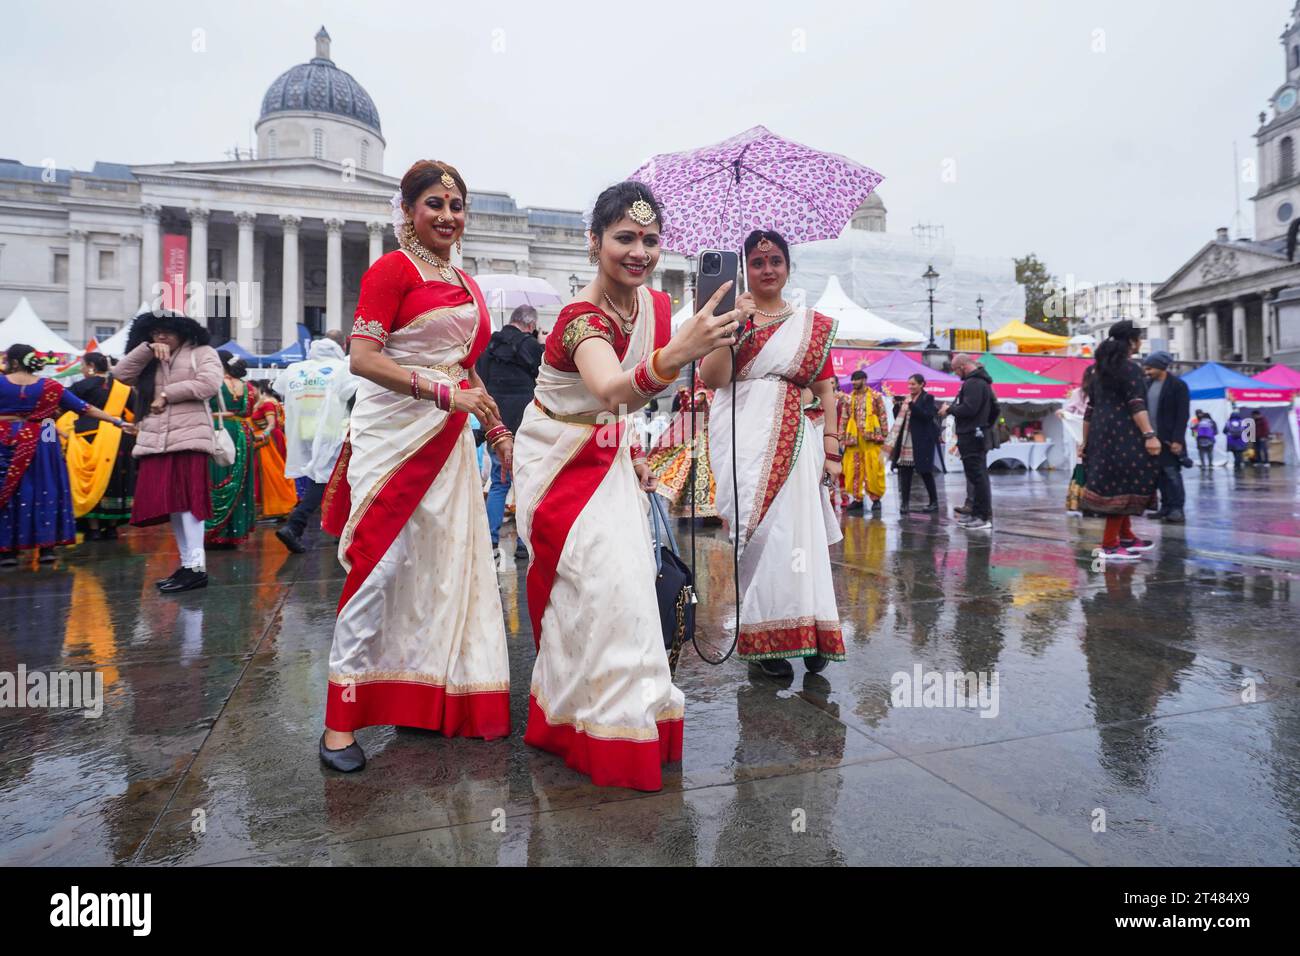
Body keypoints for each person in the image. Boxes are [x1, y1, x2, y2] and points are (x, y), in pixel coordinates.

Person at [512, 181, 740, 790]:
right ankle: (598, 731)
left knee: (627, 591)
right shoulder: (577, 318)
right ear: (594, 243)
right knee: (604, 590)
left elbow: (637, 405)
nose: (639, 251)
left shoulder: (656, 311)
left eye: (650, 240)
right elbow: (612, 389)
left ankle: (599, 721)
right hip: (558, 462)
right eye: (624, 238)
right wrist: (676, 354)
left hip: (610, 455)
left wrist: (718, 339)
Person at [317, 159, 511, 773]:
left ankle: (424, 695)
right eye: (434, 204)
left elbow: (467, 366)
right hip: (395, 432)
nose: (448, 216)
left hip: (451, 437)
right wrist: (440, 393)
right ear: (407, 210)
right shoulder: (390, 269)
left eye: (456, 205)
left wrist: (497, 429)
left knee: (443, 565)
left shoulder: (466, 280)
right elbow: (362, 358)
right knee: (381, 563)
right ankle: (338, 723)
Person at [703, 228, 845, 679]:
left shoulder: (811, 324)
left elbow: (825, 387)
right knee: (760, 537)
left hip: (797, 440)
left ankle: (813, 628)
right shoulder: (728, 315)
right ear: (747, 268)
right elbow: (714, 378)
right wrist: (731, 324)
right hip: (742, 433)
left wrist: (832, 447)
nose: (768, 270)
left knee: (798, 535)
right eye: (758, 263)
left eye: (776, 261)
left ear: (788, 267)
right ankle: (765, 640)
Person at [113, 311, 224, 591]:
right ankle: (187, 564)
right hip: (155, 441)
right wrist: (146, 350)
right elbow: (121, 374)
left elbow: (210, 384)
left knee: (189, 504)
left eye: (167, 332)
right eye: (155, 332)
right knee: (174, 506)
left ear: (183, 333)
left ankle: (197, 566)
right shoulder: (148, 355)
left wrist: (166, 394)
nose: (161, 336)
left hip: (189, 438)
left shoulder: (203, 352)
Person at [0, 345, 136, 565]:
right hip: (44, 435)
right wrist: (118, 421)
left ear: (14, 362)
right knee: (46, 488)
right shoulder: (51, 386)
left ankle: (7, 551)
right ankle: (47, 549)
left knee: (11, 489)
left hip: (5, 436)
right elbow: (85, 408)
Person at [1079, 320, 1161, 560]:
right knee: (1123, 485)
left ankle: (1126, 536)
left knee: (1117, 482)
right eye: (1139, 338)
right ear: (1132, 342)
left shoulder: (1097, 370)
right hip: (1124, 433)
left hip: (1100, 433)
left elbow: (1090, 409)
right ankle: (1109, 544)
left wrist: (1085, 442)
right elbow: (1136, 404)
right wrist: (1149, 435)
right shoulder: (1130, 368)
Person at [272, 336, 356, 553]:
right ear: (341, 348)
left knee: (322, 479)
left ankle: (339, 528)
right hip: (334, 430)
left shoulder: (295, 368)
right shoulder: (342, 367)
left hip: (302, 430)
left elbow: (278, 387)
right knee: (333, 478)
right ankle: (297, 525)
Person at [475, 303, 544, 562]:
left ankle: (490, 539)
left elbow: (480, 379)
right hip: (526, 422)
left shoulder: (490, 346)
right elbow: (543, 377)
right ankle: (525, 545)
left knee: (498, 482)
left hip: (496, 420)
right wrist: (538, 344)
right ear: (530, 325)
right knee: (526, 483)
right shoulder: (530, 346)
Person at [61, 351, 136, 538]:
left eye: (83, 365)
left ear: (91, 367)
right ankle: (111, 527)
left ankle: (93, 529)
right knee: (115, 480)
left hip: (86, 437)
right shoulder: (123, 388)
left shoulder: (80, 386)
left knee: (88, 480)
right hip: (118, 438)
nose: (81, 368)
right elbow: (136, 412)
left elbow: (61, 405)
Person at [939, 353, 996, 531]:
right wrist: (986, 425)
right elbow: (996, 408)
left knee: (978, 477)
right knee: (977, 476)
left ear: (962, 367)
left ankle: (983, 516)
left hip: (971, 435)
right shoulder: (983, 383)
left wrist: (950, 409)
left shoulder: (973, 383)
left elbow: (969, 409)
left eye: (956, 371)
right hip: (977, 433)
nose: (956, 375)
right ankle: (978, 514)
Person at [205, 351, 256, 547]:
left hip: (220, 431)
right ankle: (234, 531)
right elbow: (248, 411)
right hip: (242, 433)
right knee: (240, 482)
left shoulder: (213, 384)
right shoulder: (247, 386)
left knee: (216, 476)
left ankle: (213, 531)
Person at [648, 383, 718, 518]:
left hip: (701, 436)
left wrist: (684, 396)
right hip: (706, 436)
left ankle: (700, 506)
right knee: (696, 473)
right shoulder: (713, 394)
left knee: (694, 472)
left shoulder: (702, 394)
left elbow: (690, 408)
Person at [1141, 350, 1189, 524]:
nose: (1147, 372)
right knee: (1158, 475)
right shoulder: (1146, 385)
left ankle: (1177, 508)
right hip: (1151, 439)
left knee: (1172, 474)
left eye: (1150, 368)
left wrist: (1178, 440)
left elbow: (1182, 415)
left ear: (1161, 367)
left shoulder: (1178, 385)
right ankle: (1166, 506)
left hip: (1169, 440)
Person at [889, 372, 945, 513]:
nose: (910, 387)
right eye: (909, 384)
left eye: (913, 384)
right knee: (904, 472)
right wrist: (896, 406)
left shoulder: (928, 398)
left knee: (925, 472)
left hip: (923, 441)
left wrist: (911, 405)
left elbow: (926, 416)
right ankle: (905, 504)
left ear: (922, 384)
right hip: (906, 440)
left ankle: (934, 502)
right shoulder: (907, 399)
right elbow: (898, 418)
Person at [245, 380, 297, 520]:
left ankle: (277, 507)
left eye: (251, 390)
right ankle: (262, 508)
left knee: (272, 473)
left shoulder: (267, 403)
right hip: (257, 443)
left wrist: (262, 435)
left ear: (257, 389)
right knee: (258, 474)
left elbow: (271, 424)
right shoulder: (253, 405)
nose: (249, 393)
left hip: (269, 442)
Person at [841, 369, 888, 513]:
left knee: (873, 469)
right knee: (853, 469)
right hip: (854, 440)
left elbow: (883, 416)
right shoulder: (849, 399)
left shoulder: (876, 397)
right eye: (853, 380)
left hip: (872, 439)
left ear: (864, 380)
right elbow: (844, 418)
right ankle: (857, 499)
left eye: (857, 380)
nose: (854, 382)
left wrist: (885, 436)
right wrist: (841, 437)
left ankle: (876, 499)